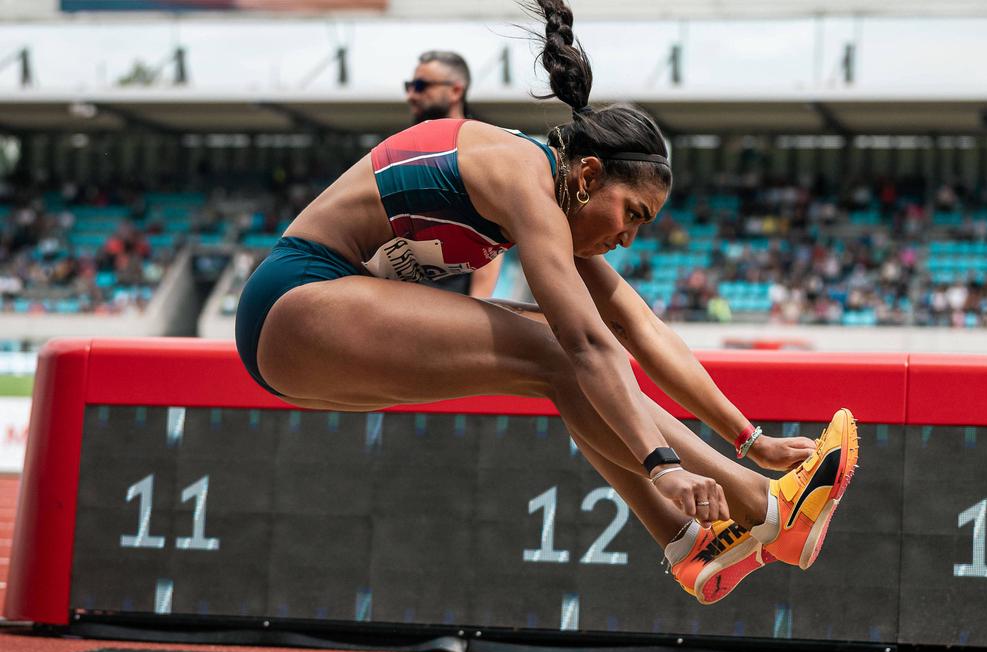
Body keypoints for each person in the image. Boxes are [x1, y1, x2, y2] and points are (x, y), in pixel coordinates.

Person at [235, 0, 859, 604]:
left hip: (308, 341)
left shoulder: (556, 203)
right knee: (561, 351)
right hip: (291, 304)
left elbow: (642, 328)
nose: (626, 239)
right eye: (631, 215)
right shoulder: (521, 178)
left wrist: (751, 438)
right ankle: (767, 507)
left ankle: (689, 543)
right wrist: (663, 464)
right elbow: (588, 344)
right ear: (588, 176)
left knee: (563, 369)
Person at [403, 50, 503, 298]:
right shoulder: (405, 148)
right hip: (403, 305)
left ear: (456, 90)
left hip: (454, 306)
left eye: (420, 86)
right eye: (409, 85)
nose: (410, 95)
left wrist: (477, 309)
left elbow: (495, 236)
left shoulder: (478, 149)